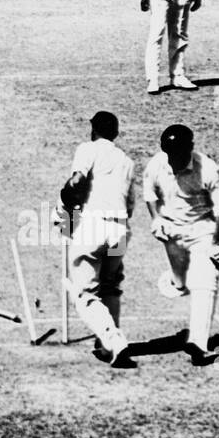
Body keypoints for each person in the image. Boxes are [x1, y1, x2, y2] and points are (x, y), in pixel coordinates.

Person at [142, 124, 219, 365]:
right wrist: (156, 218)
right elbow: (149, 194)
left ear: (190, 149)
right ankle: (174, 280)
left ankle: (198, 344)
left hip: (202, 231)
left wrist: (216, 244)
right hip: (171, 231)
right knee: (181, 286)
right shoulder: (156, 165)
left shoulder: (208, 169)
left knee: (205, 284)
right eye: (170, 155)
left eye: (178, 155)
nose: (174, 161)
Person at [58, 111, 136, 368]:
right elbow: (131, 205)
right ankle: (105, 346)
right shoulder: (126, 161)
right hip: (121, 233)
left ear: (94, 130)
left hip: (94, 229)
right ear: (115, 133)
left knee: (85, 293)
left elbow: (77, 181)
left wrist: (66, 206)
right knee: (111, 285)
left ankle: (114, 341)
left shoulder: (87, 149)